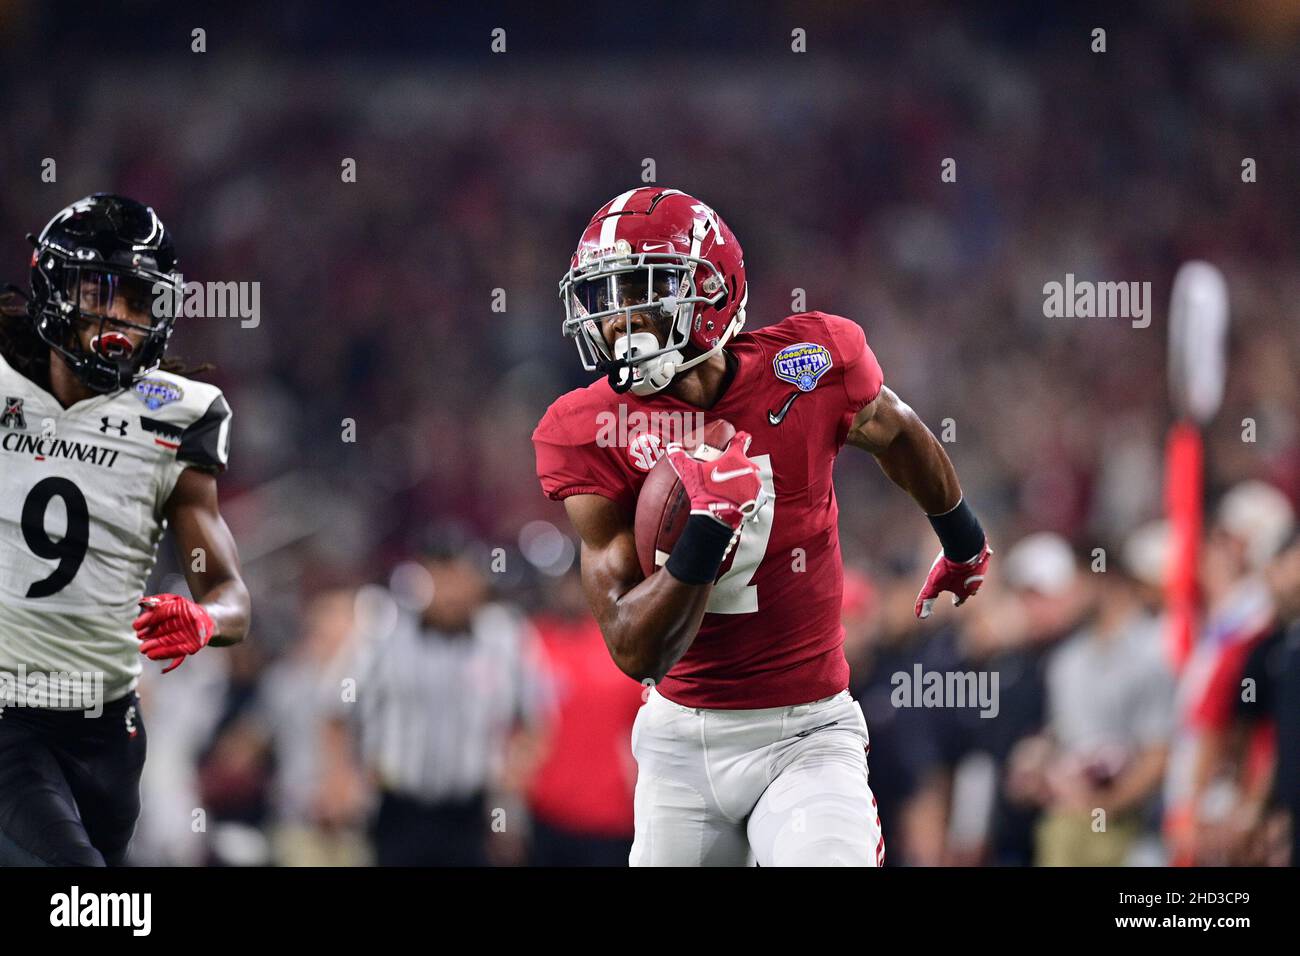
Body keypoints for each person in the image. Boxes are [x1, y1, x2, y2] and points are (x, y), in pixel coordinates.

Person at [532, 187, 992, 866]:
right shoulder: (588, 430)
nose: (620, 317)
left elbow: (896, 432)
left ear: (712, 290)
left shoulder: (806, 366)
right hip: (680, 743)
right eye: (607, 295)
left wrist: (963, 540)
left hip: (805, 732)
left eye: (645, 288)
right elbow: (635, 649)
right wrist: (708, 530)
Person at [0, 194, 250, 865]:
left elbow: (231, 595)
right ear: (56, 290)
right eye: (102, 293)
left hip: (110, 728)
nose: (122, 318)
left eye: (141, 302)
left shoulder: (178, 415)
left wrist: (202, 619)